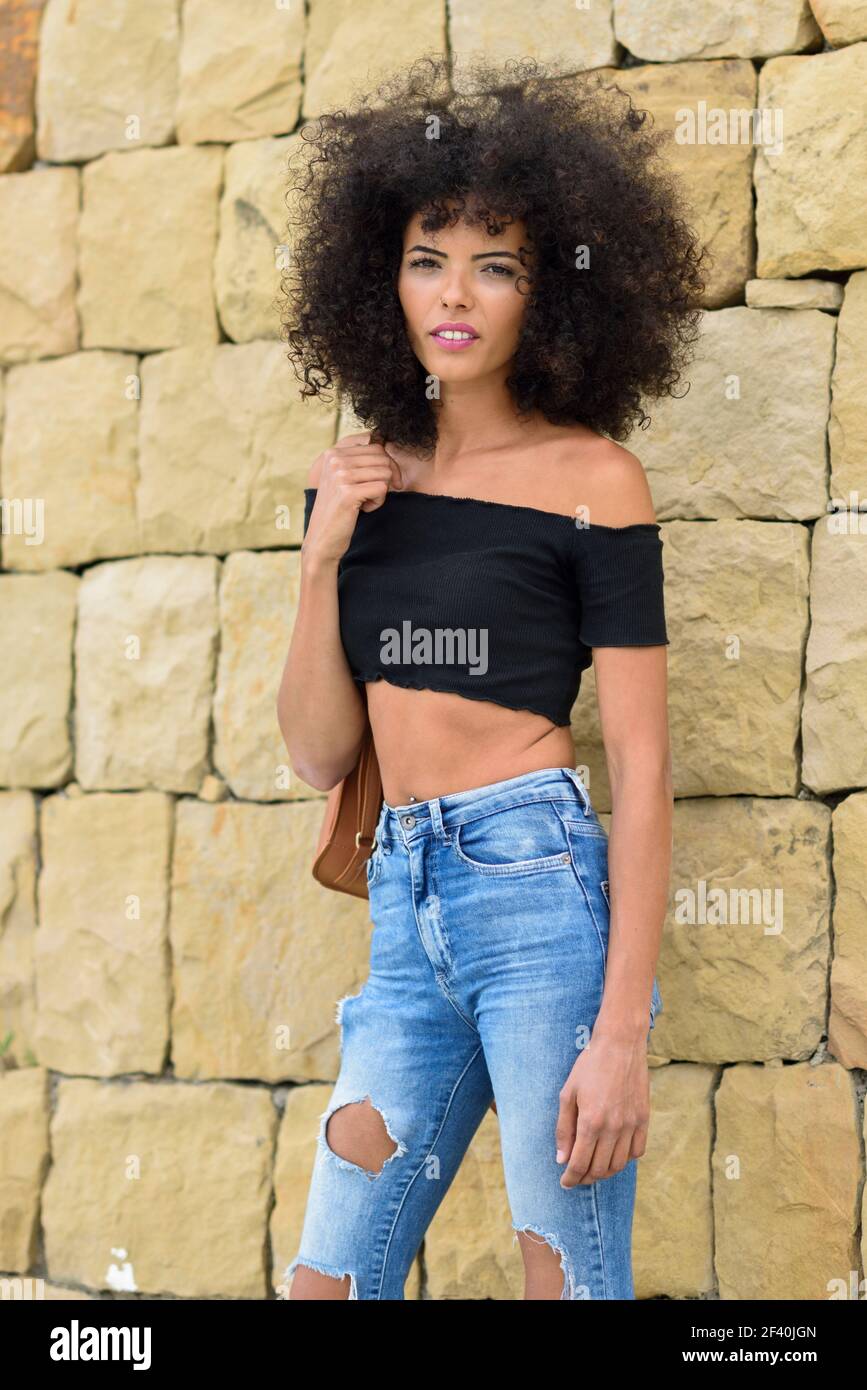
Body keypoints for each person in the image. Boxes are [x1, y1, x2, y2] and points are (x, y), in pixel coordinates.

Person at [276, 54, 705, 1300]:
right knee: (324, 1282)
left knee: (562, 1282)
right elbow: (316, 755)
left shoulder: (593, 480)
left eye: (496, 264)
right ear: (383, 279)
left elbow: (648, 773)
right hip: (403, 906)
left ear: (547, 296)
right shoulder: (354, 483)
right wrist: (320, 562)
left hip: (536, 895)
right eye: (427, 258)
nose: (454, 293)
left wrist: (622, 1031)